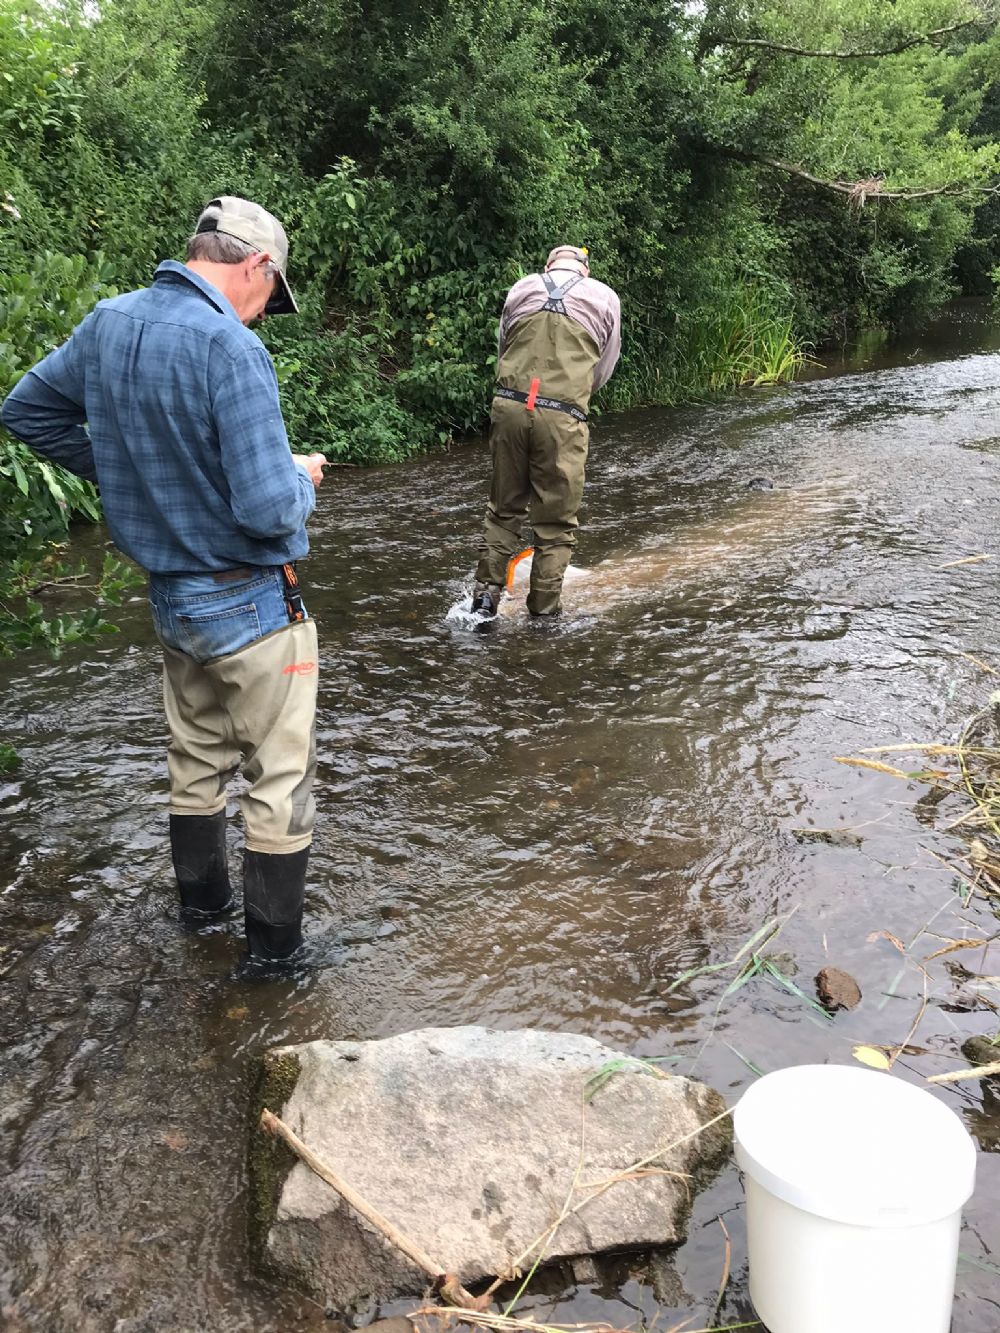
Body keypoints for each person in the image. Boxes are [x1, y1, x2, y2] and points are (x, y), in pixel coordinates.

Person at [1, 196, 327, 965]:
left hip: (172, 604)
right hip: (252, 606)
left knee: (196, 761)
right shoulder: (231, 349)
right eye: (270, 296)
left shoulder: (109, 321)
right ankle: (276, 962)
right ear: (256, 264)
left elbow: (25, 410)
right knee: (279, 778)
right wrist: (302, 477)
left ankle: (202, 920)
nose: (263, 314)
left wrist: (125, 474)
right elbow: (267, 509)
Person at [471, 244, 621, 618]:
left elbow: (505, 347)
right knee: (554, 524)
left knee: (503, 510)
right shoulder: (604, 297)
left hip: (509, 407)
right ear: (585, 270)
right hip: (563, 415)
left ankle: (485, 598)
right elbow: (604, 367)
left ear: (548, 266)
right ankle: (543, 613)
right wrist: (571, 396)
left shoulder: (522, 287)